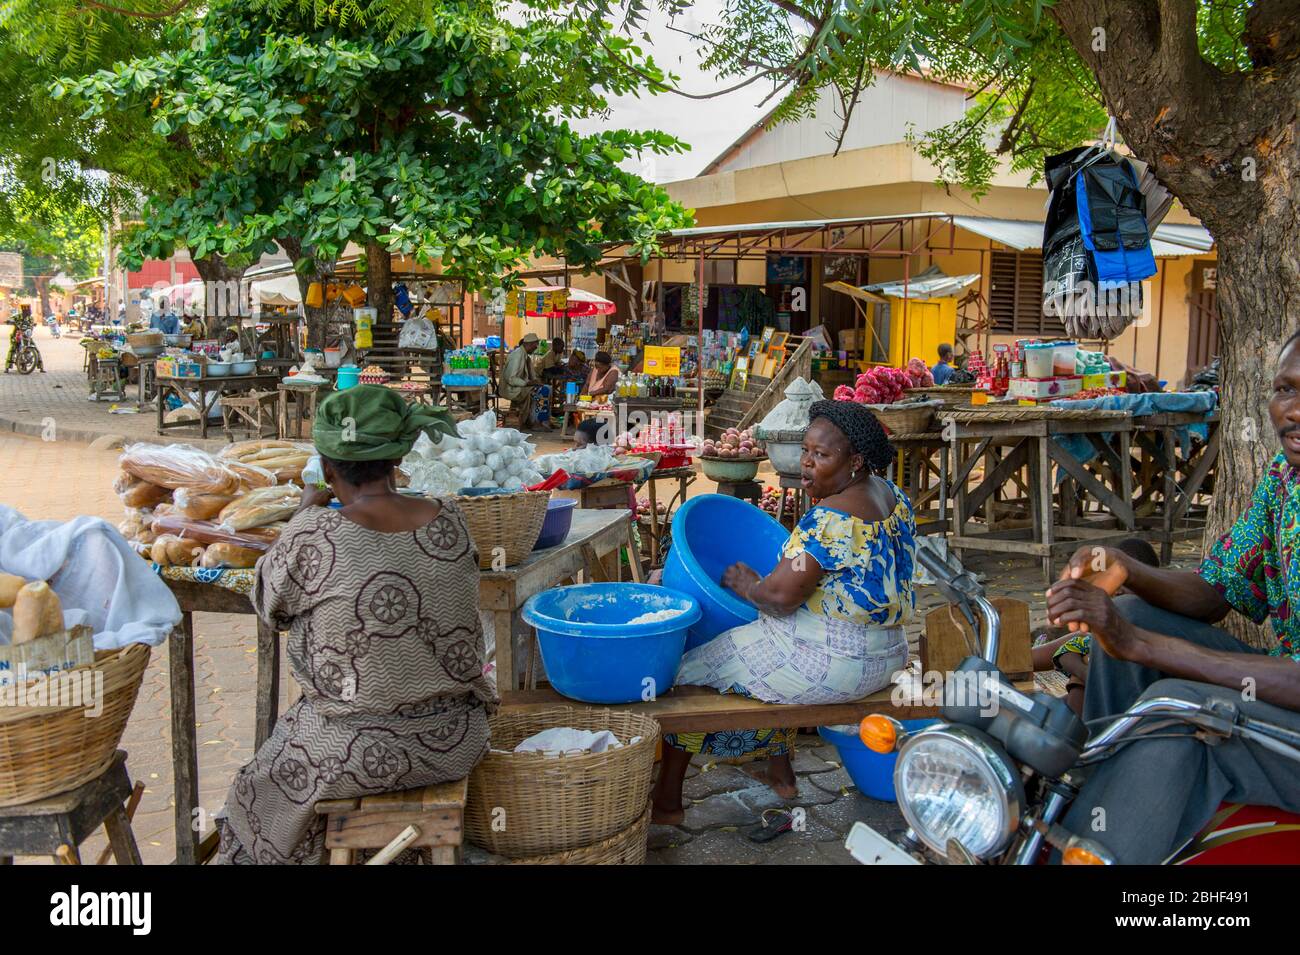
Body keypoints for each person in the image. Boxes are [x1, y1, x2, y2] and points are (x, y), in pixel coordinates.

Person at [1045, 335, 1300, 864]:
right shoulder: (1285, 480)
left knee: (1182, 710)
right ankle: (1100, 797)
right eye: (1284, 389)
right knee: (1131, 611)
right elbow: (1215, 592)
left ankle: (1107, 850)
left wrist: (1143, 645)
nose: (1293, 411)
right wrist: (1125, 567)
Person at [215, 385, 493, 865]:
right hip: (457, 735)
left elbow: (269, 603)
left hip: (355, 744)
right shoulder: (450, 518)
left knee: (254, 790)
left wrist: (303, 512)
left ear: (325, 469)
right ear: (397, 460)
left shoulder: (315, 533)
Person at [651, 400, 916, 824]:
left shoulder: (830, 517)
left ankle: (667, 802)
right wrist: (768, 587)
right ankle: (780, 772)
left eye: (822, 455)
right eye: (806, 452)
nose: (808, 464)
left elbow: (779, 599)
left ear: (856, 461)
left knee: (685, 670)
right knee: (758, 655)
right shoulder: (895, 497)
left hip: (831, 665)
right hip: (889, 655)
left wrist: (748, 585)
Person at [1032, 537, 1160, 716]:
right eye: (1114, 581)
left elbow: (1103, 682)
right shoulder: (1096, 634)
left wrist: (1072, 664)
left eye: (1129, 583)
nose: (1119, 590)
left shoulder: (1149, 631)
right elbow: (1037, 657)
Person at [500, 332, 546, 430]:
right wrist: (527, 383)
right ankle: (533, 421)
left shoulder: (525, 356)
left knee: (545, 388)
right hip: (511, 388)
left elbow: (531, 375)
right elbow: (510, 378)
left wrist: (534, 381)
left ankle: (535, 420)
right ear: (528, 344)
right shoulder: (517, 356)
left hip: (518, 386)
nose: (535, 348)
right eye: (534, 346)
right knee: (541, 392)